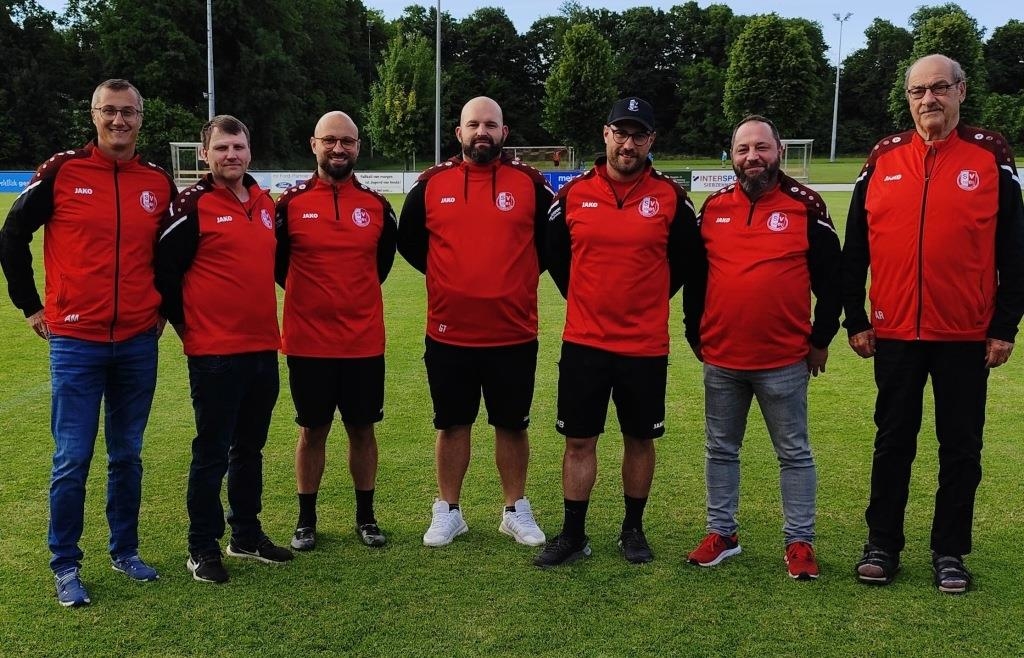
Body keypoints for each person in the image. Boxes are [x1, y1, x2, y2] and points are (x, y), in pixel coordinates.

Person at [842, 54, 1024, 594]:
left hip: (965, 335)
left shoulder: (991, 156)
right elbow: (856, 249)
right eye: (919, 91)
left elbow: (1014, 251)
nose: (929, 100)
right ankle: (882, 544)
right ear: (909, 99)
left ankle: (950, 551)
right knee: (893, 440)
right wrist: (855, 316)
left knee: (961, 446)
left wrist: (1004, 326)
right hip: (894, 331)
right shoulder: (882, 158)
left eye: (940, 88)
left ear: (961, 91)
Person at [0, 79, 176, 607]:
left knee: (127, 454)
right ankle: (66, 564)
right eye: (109, 112)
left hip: (138, 341)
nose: (119, 121)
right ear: (94, 115)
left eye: (128, 112)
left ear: (141, 118)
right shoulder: (63, 170)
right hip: (76, 340)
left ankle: (125, 551)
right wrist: (30, 304)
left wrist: (163, 309)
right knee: (72, 458)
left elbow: (174, 255)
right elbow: (12, 234)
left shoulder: (157, 181)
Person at [535, 97, 705, 567]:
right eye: (620, 133)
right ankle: (572, 534)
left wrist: (646, 298)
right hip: (584, 343)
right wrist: (589, 295)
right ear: (605, 134)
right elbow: (555, 258)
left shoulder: (671, 198)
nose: (628, 144)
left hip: (644, 346)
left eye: (639, 135)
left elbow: (686, 263)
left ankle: (632, 529)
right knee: (579, 440)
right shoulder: (571, 195)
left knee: (639, 438)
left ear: (651, 141)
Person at [685, 115, 842, 580]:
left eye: (762, 148)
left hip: (784, 360)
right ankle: (722, 534)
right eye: (743, 150)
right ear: (731, 157)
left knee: (794, 452)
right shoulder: (713, 207)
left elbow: (832, 284)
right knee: (720, 450)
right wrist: (695, 333)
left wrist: (819, 341)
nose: (752, 157)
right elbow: (696, 278)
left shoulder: (806, 206)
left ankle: (799, 542)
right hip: (723, 358)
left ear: (780, 152)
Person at [397, 96, 552, 548]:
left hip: (513, 331)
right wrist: (452, 277)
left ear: (504, 133)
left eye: (490, 125)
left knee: (512, 424)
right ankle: (448, 510)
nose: (481, 132)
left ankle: (514, 509)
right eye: (473, 125)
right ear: (459, 132)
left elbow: (550, 244)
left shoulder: (531, 185)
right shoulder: (430, 185)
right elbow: (409, 244)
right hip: (449, 332)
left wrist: (512, 277)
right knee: (452, 423)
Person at [156, 115, 294, 584]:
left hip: (262, 347)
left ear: (249, 151)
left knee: (250, 448)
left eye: (237, 147)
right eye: (221, 148)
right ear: (204, 155)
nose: (230, 155)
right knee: (212, 450)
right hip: (214, 351)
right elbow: (164, 271)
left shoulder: (264, 202)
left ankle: (246, 534)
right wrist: (186, 327)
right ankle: (201, 546)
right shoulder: (190, 205)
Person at [275, 111, 398, 551]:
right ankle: (306, 520)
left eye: (346, 141)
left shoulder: (377, 207)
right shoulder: (289, 205)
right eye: (330, 141)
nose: (338, 149)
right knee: (312, 431)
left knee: (362, 430)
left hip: (363, 342)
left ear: (358, 146)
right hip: (308, 344)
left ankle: (366, 518)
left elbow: (380, 266)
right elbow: (278, 266)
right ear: (314, 144)